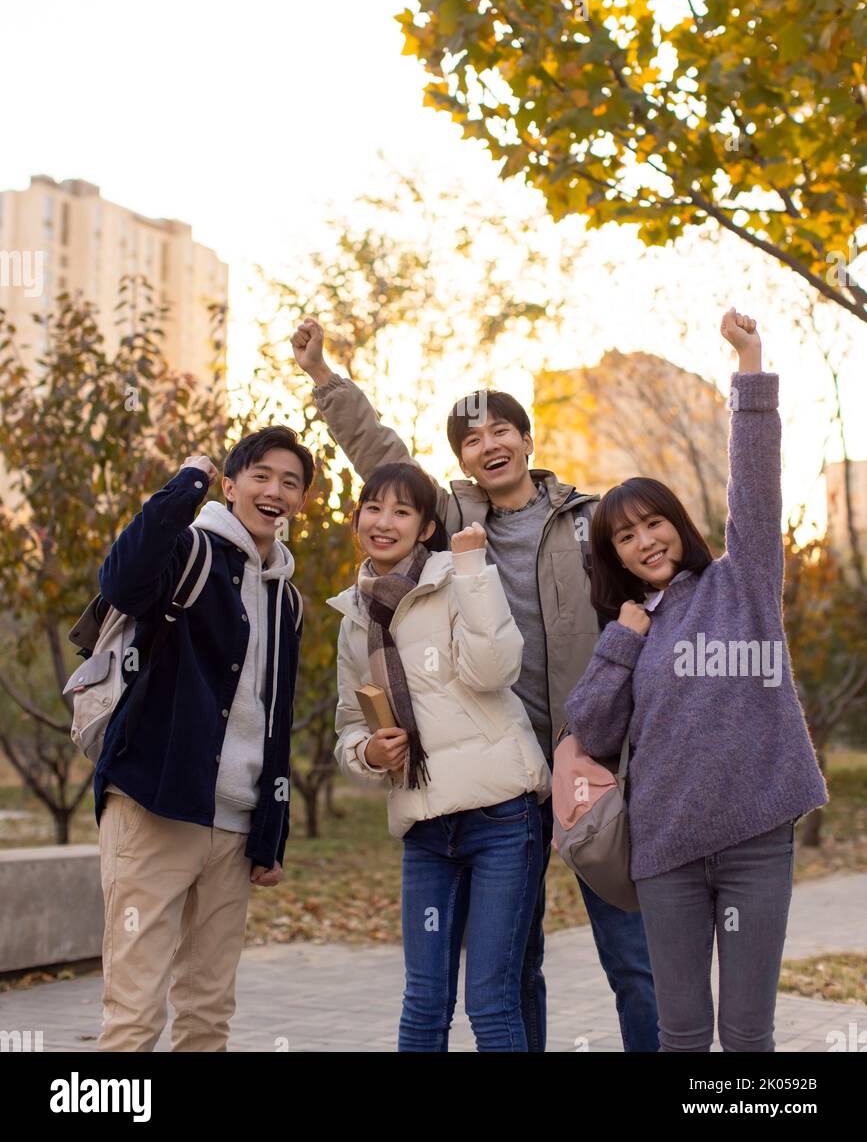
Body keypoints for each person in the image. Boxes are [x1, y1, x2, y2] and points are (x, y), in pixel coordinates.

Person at [293, 316, 659, 1052]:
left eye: (500, 431)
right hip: (510, 784)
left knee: (632, 959)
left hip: (595, 765)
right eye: (469, 438)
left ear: (526, 442)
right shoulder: (454, 517)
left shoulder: (590, 524)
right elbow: (380, 457)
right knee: (513, 971)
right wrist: (323, 379)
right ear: (460, 458)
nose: (486, 444)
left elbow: (647, 615)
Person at [565, 308, 828, 1052]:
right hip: (664, 851)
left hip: (751, 840)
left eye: (654, 522)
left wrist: (749, 367)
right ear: (612, 552)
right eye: (624, 534)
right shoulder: (627, 627)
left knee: (746, 1036)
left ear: (677, 524)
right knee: (679, 1033)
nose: (644, 540)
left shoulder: (738, 581)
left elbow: (755, 484)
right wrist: (623, 638)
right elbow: (592, 728)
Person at [93, 426, 314, 1051]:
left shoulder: (286, 599)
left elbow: (276, 718)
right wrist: (185, 481)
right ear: (231, 484)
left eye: (291, 483)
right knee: (135, 1014)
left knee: (208, 1015)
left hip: (233, 830)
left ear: (300, 503)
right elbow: (120, 580)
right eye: (262, 476)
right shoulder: (188, 551)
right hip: (155, 807)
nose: (275, 490)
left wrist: (271, 830)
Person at [331, 460, 550, 1050]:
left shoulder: (460, 576)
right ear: (357, 521)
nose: (384, 522)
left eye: (402, 511)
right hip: (424, 824)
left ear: (426, 527)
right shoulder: (354, 618)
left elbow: (495, 670)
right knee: (424, 1004)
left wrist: (475, 570)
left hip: (502, 816)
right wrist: (371, 753)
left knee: (491, 1000)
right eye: (373, 509)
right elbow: (349, 727)